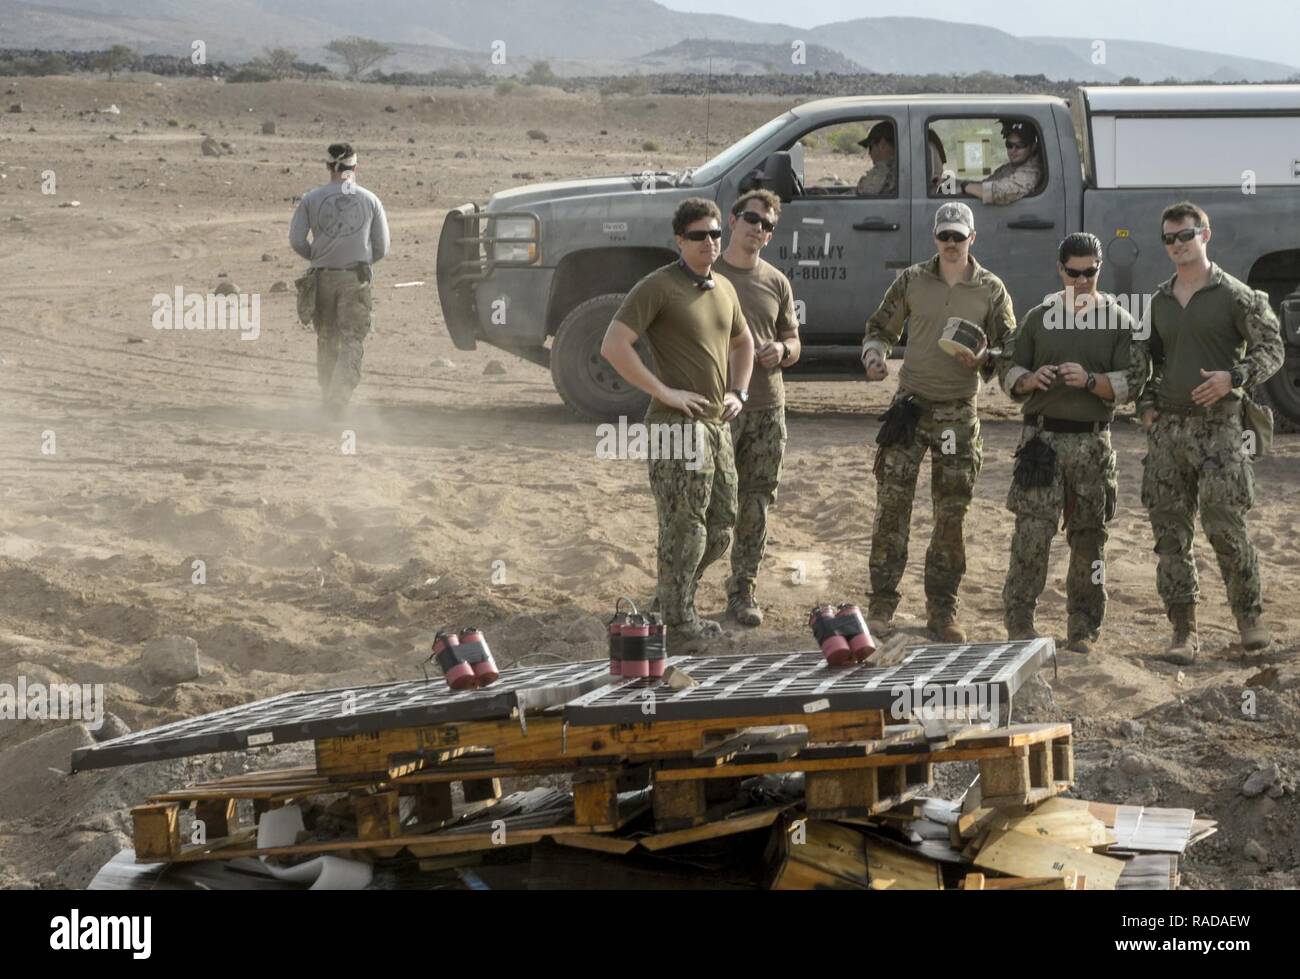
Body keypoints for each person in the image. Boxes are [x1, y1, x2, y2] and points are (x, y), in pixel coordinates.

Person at [601, 198, 755, 642]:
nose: (710, 242)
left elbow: (743, 342)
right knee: (685, 525)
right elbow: (614, 345)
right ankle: (679, 621)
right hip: (675, 426)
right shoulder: (659, 286)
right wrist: (662, 391)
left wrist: (739, 392)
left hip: (716, 424)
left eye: (715, 234)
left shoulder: (724, 288)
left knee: (721, 525)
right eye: (698, 235)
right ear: (679, 240)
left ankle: (670, 598)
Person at [1135, 201, 1284, 661]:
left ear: (1205, 234)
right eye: (1169, 238)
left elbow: (1272, 348)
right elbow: (1145, 361)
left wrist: (1233, 378)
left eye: (1186, 234)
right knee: (1170, 534)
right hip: (1168, 432)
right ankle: (1183, 632)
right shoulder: (1159, 301)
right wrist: (1145, 405)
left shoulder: (1237, 296)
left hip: (1220, 429)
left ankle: (1250, 623)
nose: (1178, 244)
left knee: (1225, 527)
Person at [861, 202, 1015, 642]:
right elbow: (880, 329)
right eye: (944, 236)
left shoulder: (991, 289)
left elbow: (1010, 347)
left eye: (958, 237)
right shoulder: (912, 280)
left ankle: (943, 610)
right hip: (910, 408)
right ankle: (882, 605)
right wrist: (874, 356)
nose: (951, 243)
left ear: (972, 239)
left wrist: (986, 359)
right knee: (892, 508)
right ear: (935, 238)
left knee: (951, 513)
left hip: (957, 413)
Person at [998, 233, 1148, 653]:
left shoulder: (1120, 321)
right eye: (1073, 272)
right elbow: (1008, 367)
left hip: (1092, 444)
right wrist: (1030, 379)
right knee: (1031, 534)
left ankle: (1083, 627)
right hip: (1041, 442)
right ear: (1059, 269)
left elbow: (1135, 380)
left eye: (1090, 272)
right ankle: (1020, 622)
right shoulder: (1038, 318)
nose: (1081, 281)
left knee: (1089, 539)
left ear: (1099, 269)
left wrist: (1091, 381)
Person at [713, 190, 800, 626]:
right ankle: (679, 588)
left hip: (767, 407)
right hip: (716, 408)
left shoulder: (777, 282)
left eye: (767, 225)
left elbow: (795, 341)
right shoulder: (707, 275)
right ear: (732, 221)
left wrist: (782, 350)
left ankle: (743, 590)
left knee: (756, 503)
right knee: (708, 503)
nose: (758, 228)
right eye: (752, 219)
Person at [290, 142, 390, 416]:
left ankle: (328, 397)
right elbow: (382, 247)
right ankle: (338, 400)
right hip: (354, 278)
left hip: (322, 278)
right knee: (352, 340)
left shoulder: (311, 199)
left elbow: (297, 240)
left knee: (327, 338)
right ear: (355, 167)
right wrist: (361, 261)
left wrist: (319, 257)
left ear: (327, 166)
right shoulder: (370, 200)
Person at [960, 120, 1042, 206]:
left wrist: (964, 187)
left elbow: (1001, 193)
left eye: (1020, 145)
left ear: (1033, 146)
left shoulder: (1034, 170)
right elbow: (986, 184)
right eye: (1009, 145)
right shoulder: (1010, 167)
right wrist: (959, 184)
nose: (1013, 150)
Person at [856, 121, 898, 196]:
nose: (869, 153)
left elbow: (864, 191)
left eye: (870, 147)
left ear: (882, 144)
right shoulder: (901, 166)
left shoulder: (885, 169)